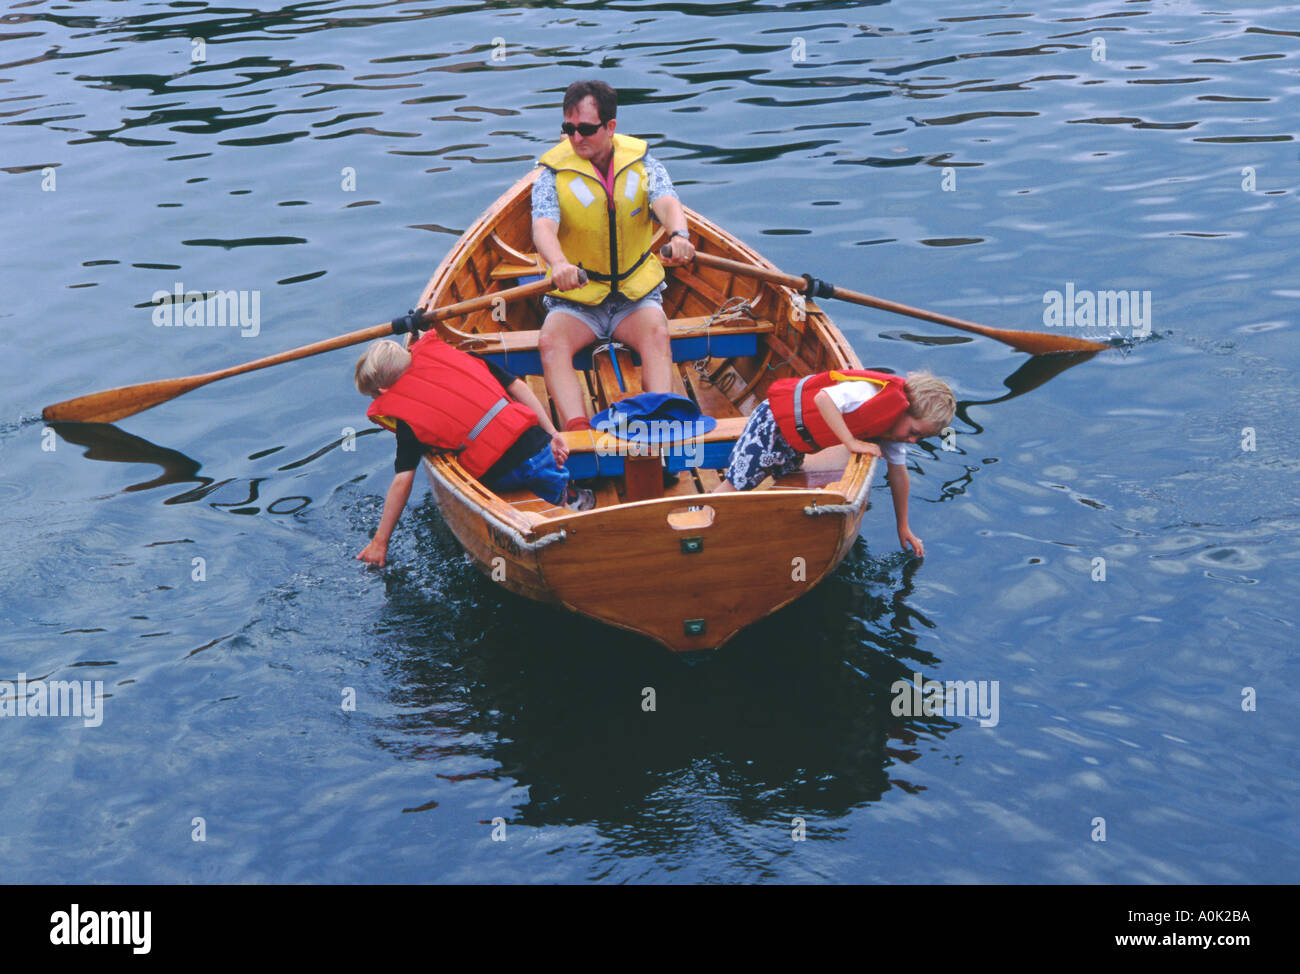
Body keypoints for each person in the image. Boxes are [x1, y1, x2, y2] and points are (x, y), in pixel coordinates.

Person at [531, 79, 695, 431]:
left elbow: (666, 201)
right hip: (577, 298)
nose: (576, 139)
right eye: (568, 129)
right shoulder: (551, 173)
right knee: (549, 341)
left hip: (633, 297)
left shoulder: (643, 163)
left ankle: (657, 427)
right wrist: (558, 264)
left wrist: (679, 234)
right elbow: (543, 226)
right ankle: (577, 435)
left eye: (586, 129)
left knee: (657, 334)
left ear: (610, 127)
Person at [353, 337, 594, 567]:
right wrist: (553, 434)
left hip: (499, 475)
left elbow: (402, 480)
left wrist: (380, 541)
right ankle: (568, 498)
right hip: (541, 454)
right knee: (554, 486)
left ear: (384, 391)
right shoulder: (464, 357)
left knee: (484, 473)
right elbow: (519, 386)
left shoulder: (407, 419)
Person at [714, 370, 956, 558]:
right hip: (771, 425)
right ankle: (699, 517)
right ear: (906, 408)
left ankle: (755, 535)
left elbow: (899, 476)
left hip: (797, 443)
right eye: (914, 431)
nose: (912, 440)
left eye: (920, 438)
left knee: (783, 491)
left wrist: (903, 526)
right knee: (737, 485)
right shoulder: (868, 391)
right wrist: (850, 442)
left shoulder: (894, 429)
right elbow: (823, 398)